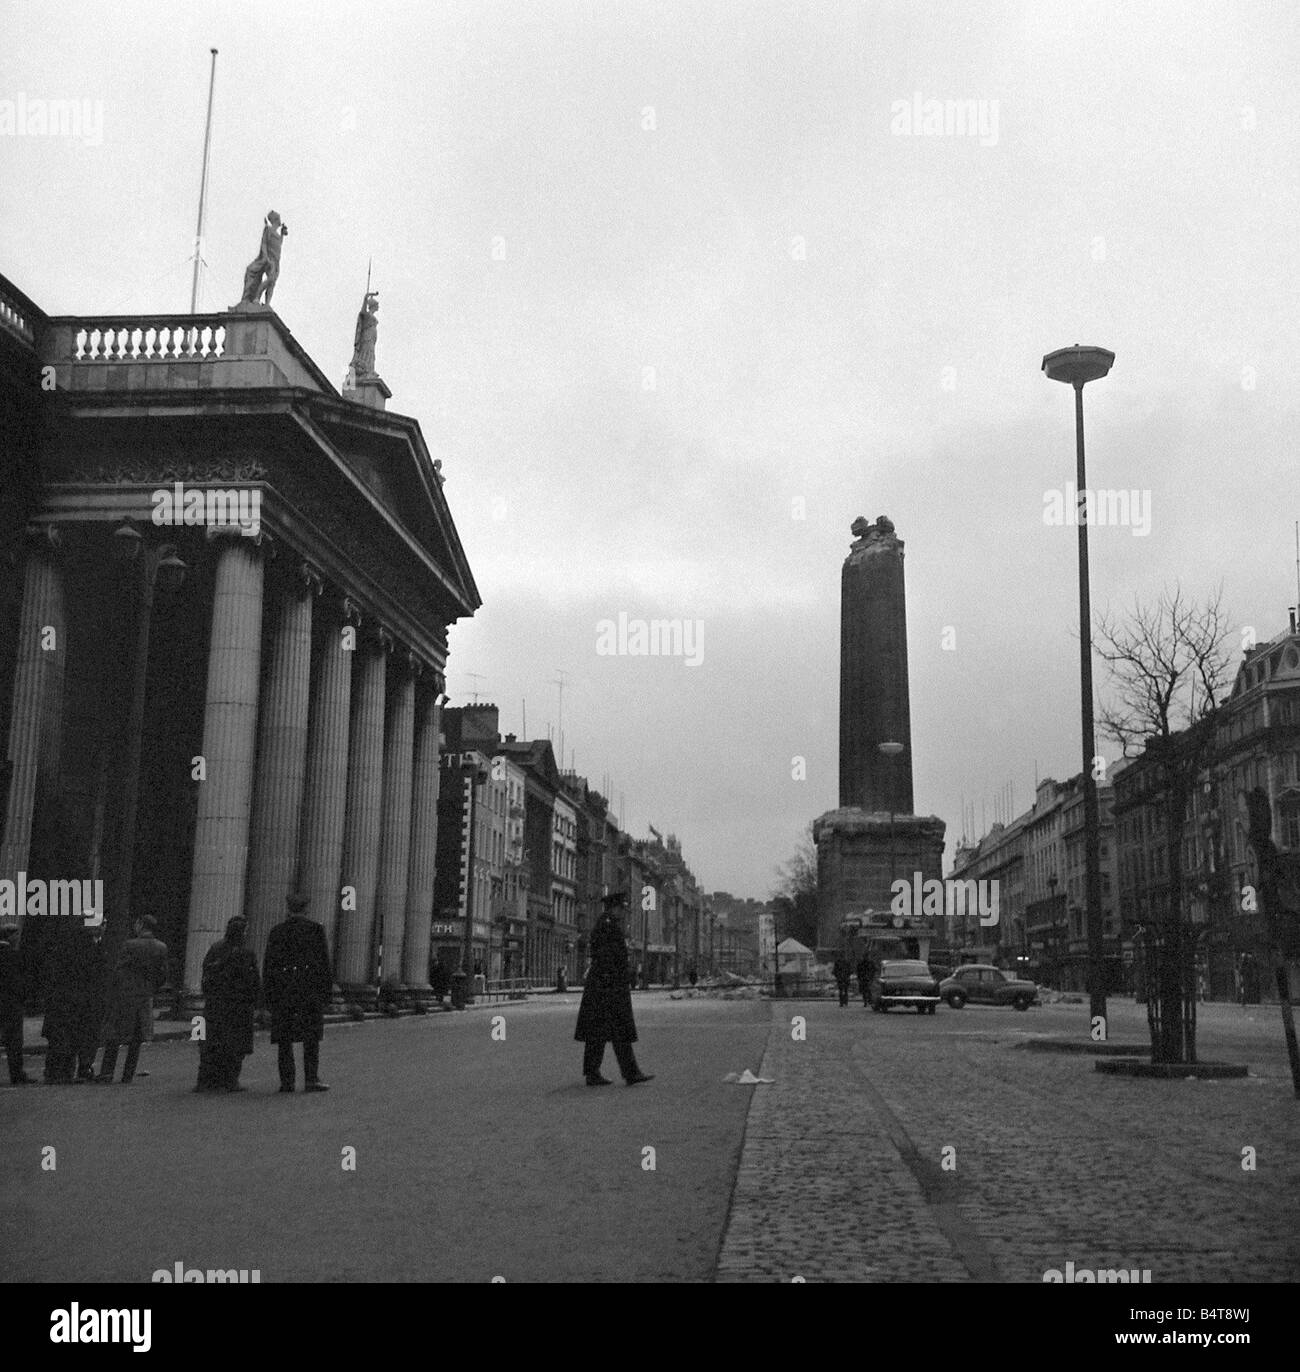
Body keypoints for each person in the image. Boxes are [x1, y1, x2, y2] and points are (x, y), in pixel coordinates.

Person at [574, 893, 653, 1087]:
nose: (624, 912)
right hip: (606, 986)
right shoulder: (607, 926)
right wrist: (613, 978)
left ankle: (619, 1072)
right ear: (614, 908)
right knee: (610, 1031)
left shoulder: (607, 924)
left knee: (604, 1031)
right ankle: (623, 1072)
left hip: (605, 985)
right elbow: (605, 956)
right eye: (622, 908)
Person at [263, 892, 333, 1093]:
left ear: (288, 908)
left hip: (284, 992)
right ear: (306, 908)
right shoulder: (316, 930)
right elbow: (323, 964)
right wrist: (326, 994)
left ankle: (287, 1082)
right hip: (309, 992)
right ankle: (311, 1079)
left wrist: (268, 996)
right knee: (311, 1039)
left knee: (284, 1040)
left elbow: (269, 965)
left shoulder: (277, 932)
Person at [96, 916, 169, 1084]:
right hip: (145, 996)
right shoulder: (161, 947)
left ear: (140, 925)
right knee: (137, 1037)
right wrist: (152, 987)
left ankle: (107, 1072)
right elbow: (163, 974)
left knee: (114, 1034)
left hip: (126, 995)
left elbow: (119, 970)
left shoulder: (130, 945)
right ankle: (127, 1074)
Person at [196, 916, 260, 1093]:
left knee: (210, 1042)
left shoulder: (216, 948)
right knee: (235, 1045)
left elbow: (206, 973)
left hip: (215, 1004)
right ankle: (230, 1080)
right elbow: (253, 980)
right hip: (238, 1005)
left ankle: (205, 1080)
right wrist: (256, 1002)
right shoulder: (246, 953)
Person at [0, 924, 33, 1085]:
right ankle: (17, 1074)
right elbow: (18, 982)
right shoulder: (13, 956)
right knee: (14, 1042)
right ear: (11, 936)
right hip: (11, 1005)